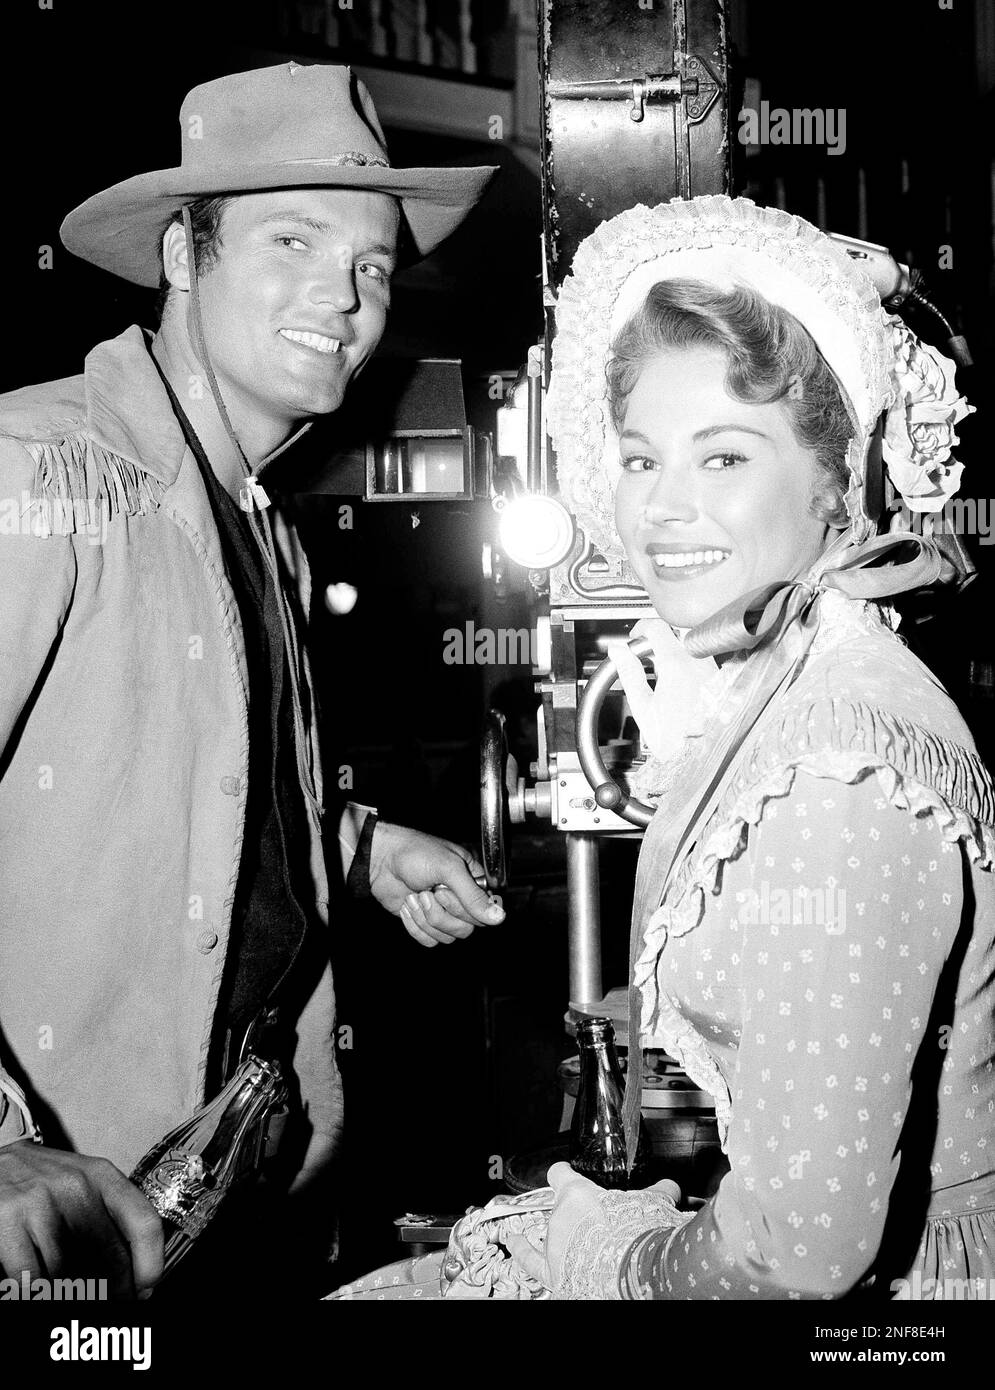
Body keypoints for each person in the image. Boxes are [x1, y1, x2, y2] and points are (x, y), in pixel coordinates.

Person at [0, 63, 502, 1298]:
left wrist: (357, 848)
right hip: (69, 1238)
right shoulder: (40, 473)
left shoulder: (253, 514)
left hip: (234, 1196)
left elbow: (170, 787)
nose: (342, 293)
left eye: (373, 264)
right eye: (293, 238)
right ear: (182, 253)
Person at [511, 195, 995, 1299]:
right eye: (641, 459)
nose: (662, 511)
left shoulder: (836, 769)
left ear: (836, 477)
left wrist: (612, 1264)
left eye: (722, 457)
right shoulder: (805, 681)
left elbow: (801, 1251)